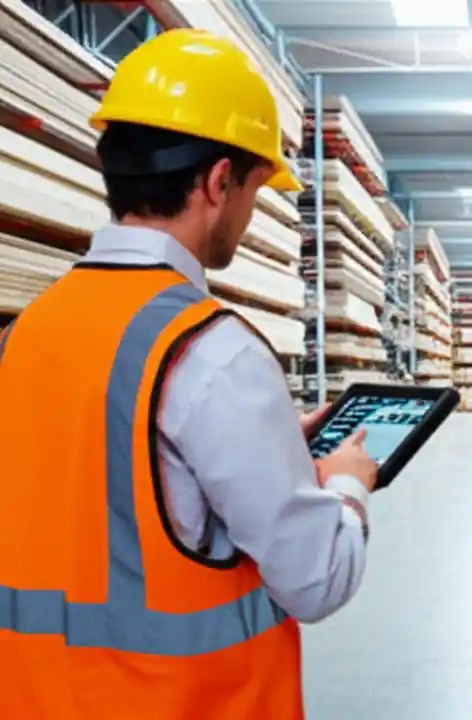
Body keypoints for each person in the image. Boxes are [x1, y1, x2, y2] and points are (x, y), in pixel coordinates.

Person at [0, 29, 377, 718]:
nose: (248, 212)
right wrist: (348, 487)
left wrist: (261, 450)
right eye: (255, 190)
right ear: (217, 181)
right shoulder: (211, 352)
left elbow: (102, 493)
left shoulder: (25, 334)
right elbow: (316, 580)